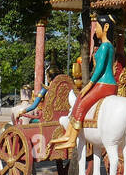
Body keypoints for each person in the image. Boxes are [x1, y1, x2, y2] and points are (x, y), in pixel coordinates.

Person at [48, 13, 118, 157]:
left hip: (105, 83)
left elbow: (100, 69)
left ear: (105, 27)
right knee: (80, 98)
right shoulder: (106, 46)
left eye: (97, 26)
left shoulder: (106, 46)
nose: (95, 30)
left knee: (83, 102)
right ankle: (69, 133)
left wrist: (90, 84)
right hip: (105, 83)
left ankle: (72, 139)